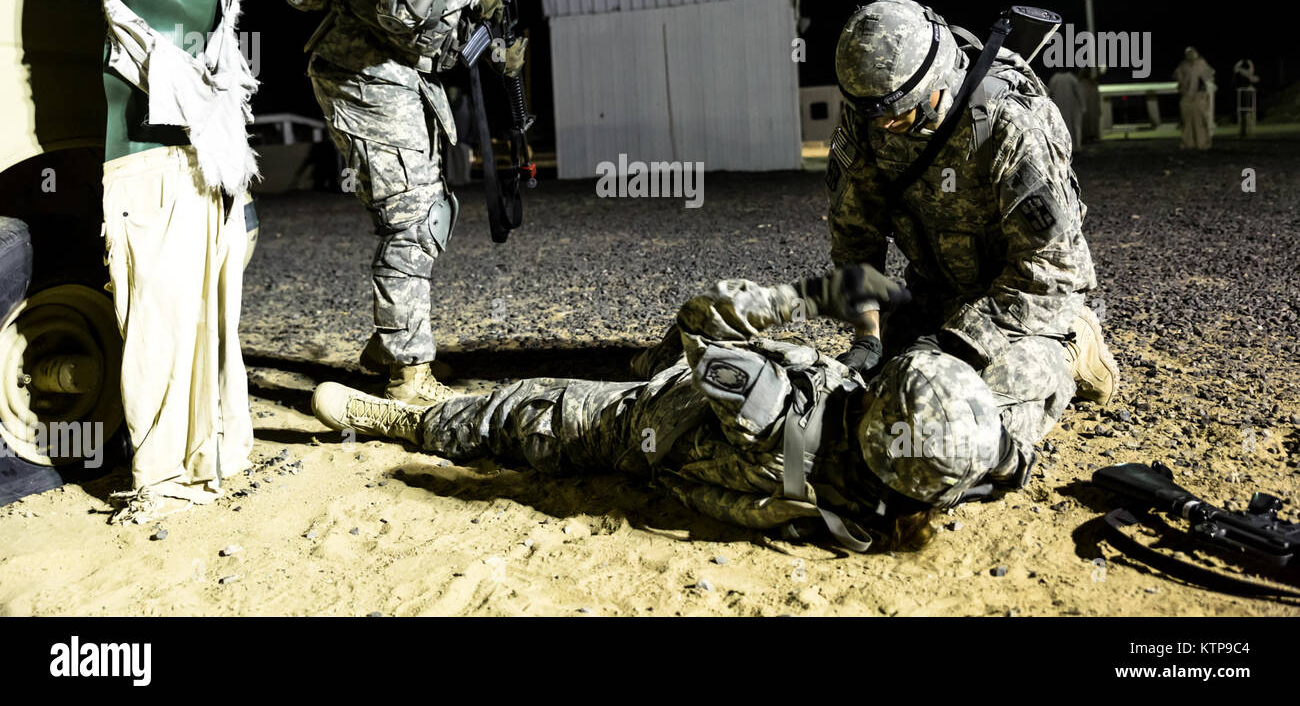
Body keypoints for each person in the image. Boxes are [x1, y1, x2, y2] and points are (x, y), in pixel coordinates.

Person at [312, 265, 1094, 551]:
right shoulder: (925, 474)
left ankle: (401, 421)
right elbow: (1003, 432)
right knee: (1037, 367)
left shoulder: (763, 408)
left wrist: (818, 297)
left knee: (523, 417)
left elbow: (705, 320)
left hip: (663, 427)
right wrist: (863, 344)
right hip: (766, 446)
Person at [295, 0, 525, 403]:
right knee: (411, 217)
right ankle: (407, 373)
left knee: (427, 212)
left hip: (395, 71)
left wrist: (477, 38)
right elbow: (403, 6)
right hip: (365, 71)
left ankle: (386, 347)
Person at [824, 0, 1118, 488]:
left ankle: (1075, 346)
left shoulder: (1010, 128)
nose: (883, 126)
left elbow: (1052, 271)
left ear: (932, 83)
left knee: (964, 428)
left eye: (896, 113)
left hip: (1021, 310)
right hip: (935, 295)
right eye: (872, 114)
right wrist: (868, 337)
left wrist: (955, 343)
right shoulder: (871, 116)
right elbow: (855, 240)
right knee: (864, 403)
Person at [93, 0, 258, 524]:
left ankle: (213, 455)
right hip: (153, 156)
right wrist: (194, 47)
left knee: (210, 317)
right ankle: (162, 474)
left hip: (204, 159)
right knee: (161, 320)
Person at [1174, 46, 1215, 149]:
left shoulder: (1201, 64)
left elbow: (1209, 77)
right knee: (1187, 121)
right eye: (1188, 53)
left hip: (1199, 96)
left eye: (1192, 52)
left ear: (1196, 53)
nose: (1190, 55)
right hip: (1187, 97)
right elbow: (1178, 78)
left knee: (1200, 120)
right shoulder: (1183, 65)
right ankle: (1188, 143)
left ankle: (1202, 144)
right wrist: (1183, 89)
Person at [1047, 69, 1084, 147]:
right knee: (1073, 127)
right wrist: (1083, 106)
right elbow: (1079, 93)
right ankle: (1074, 146)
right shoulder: (1071, 78)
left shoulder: (1055, 78)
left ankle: (1064, 147)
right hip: (1070, 108)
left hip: (1059, 107)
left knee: (1060, 128)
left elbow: (1049, 94)